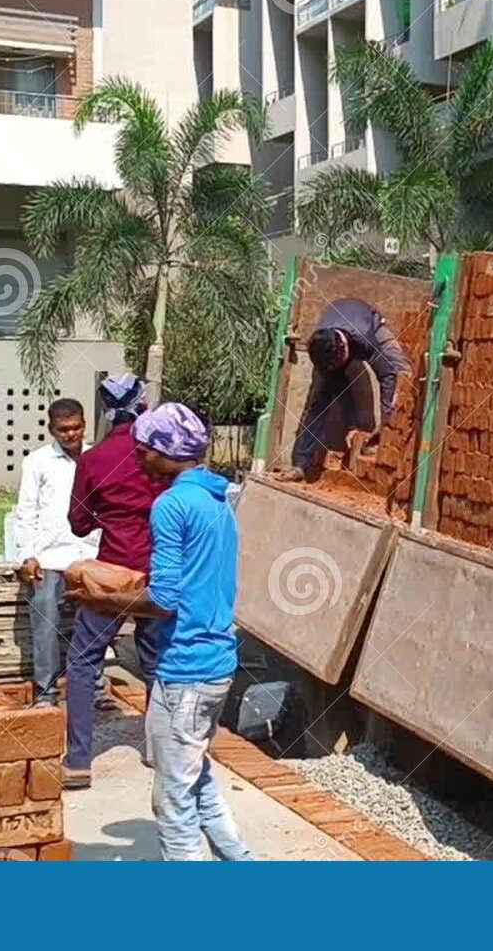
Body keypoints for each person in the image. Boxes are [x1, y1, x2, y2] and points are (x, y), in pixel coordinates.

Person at [130, 402, 251, 861]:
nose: (138, 458)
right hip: (217, 661)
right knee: (195, 778)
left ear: (166, 451)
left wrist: (101, 600)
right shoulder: (220, 499)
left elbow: (164, 599)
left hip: (185, 669)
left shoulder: (172, 505)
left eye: (144, 450)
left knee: (172, 799)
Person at [62, 373, 168, 789]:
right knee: (156, 660)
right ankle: (158, 750)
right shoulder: (160, 454)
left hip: (112, 571)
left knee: (84, 662)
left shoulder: (94, 459)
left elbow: (77, 523)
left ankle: (79, 760)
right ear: (143, 405)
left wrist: (109, 515)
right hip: (156, 570)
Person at [11, 398, 99, 708]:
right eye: (63, 429)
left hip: (90, 556)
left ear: (84, 425)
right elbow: (27, 510)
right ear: (51, 428)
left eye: (76, 427)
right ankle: (46, 691)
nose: (70, 434)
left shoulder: (99, 457)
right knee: (45, 624)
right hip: (49, 558)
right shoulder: (38, 461)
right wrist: (27, 555)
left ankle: (93, 689)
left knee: (93, 625)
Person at [273, 297, 410, 482]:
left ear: (344, 347)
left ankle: (390, 442)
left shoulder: (365, 340)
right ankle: (300, 465)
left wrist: (387, 424)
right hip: (340, 324)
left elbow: (387, 376)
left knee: (399, 370)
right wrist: (352, 426)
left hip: (369, 323)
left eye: (339, 362)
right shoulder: (321, 346)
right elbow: (339, 387)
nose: (335, 368)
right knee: (318, 399)